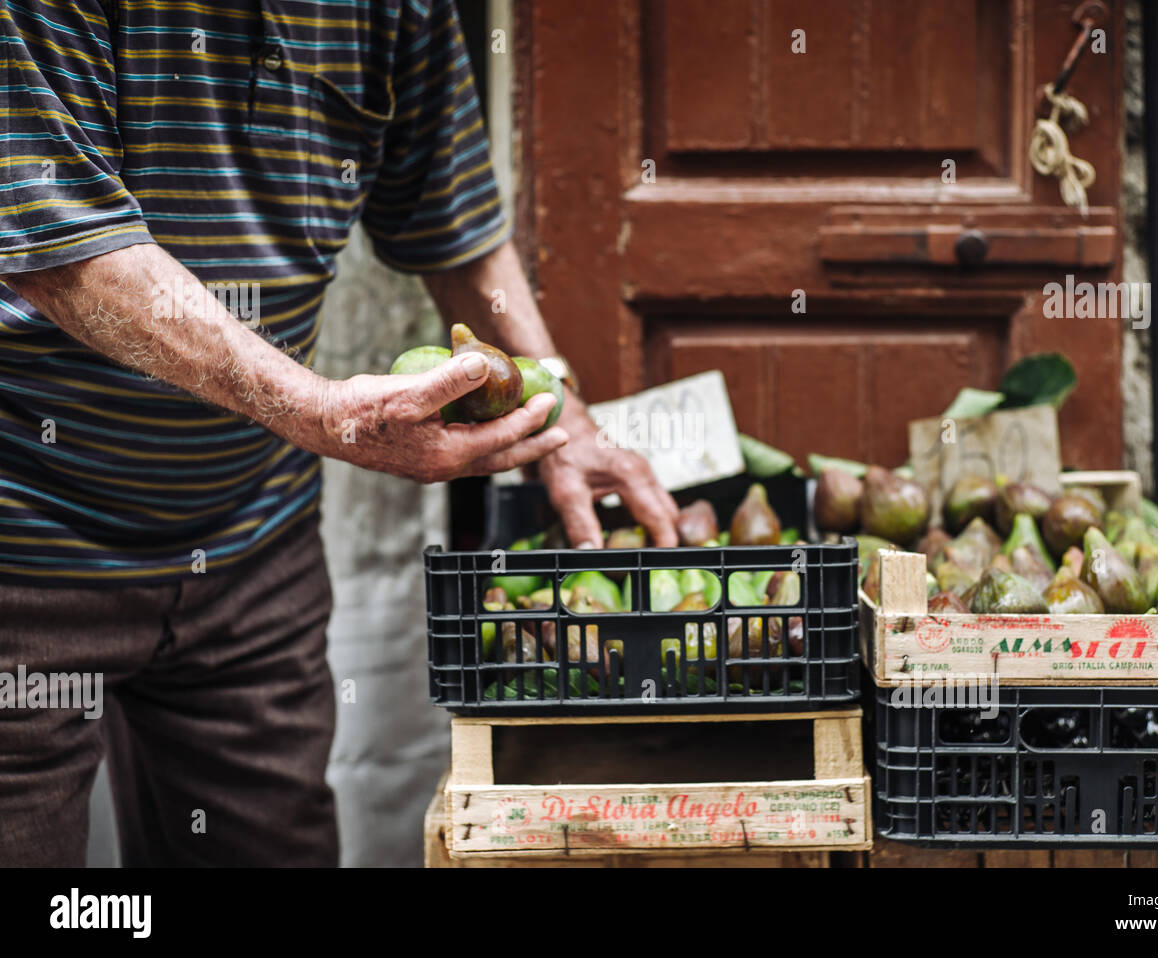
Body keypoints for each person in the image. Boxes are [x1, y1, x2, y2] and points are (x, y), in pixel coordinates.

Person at [0, 0, 677, 866]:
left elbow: (453, 220)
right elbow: (68, 250)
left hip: (251, 546)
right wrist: (316, 411)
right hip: (27, 545)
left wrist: (562, 413)